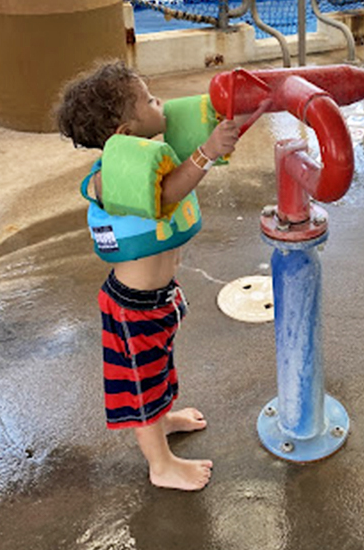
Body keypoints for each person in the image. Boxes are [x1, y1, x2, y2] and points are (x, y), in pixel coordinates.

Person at [56, 60, 241, 491]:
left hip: (158, 298)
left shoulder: (144, 166)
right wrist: (207, 151)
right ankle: (161, 465)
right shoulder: (108, 182)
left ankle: (165, 419)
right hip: (132, 305)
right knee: (141, 386)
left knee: (160, 371)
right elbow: (164, 197)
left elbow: (172, 183)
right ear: (124, 132)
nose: (161, 103)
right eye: (150, 100)